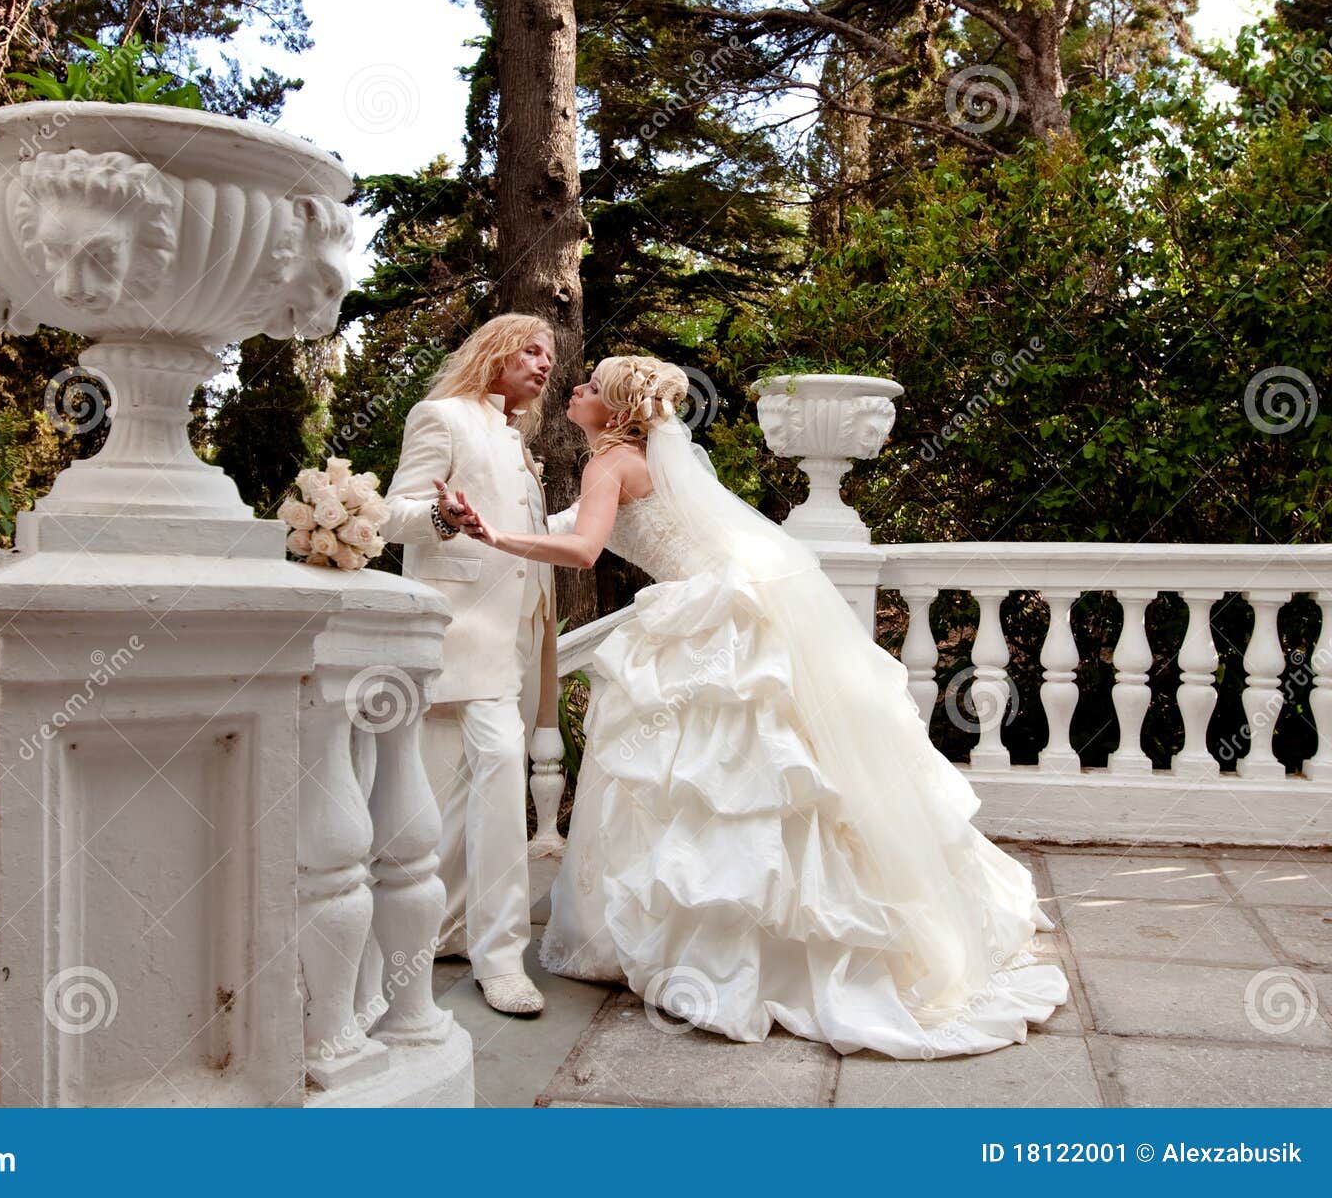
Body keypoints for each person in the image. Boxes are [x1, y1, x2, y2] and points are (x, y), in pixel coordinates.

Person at [451, 354, 1069, 1057]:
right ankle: (772, 928)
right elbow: (580, 523)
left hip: (701, 622)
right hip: (729, 609)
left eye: (592, 386)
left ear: (618, 410)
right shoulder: (644, 460)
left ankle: (718, 943)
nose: (577, 389)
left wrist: (493, 536)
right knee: (753, 776)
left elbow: (585, 549)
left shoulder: (610, 463)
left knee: (702, 779)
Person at [381, 314, 559, 1018]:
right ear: (495, 350)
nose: (544, 363)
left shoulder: (515, 440)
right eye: (531, 348)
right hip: (453, 636)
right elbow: (393, 513)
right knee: (473, 789)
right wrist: (441, 518)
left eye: (550, 355)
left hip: (507, 649)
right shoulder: (443, 417)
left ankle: (455, 935)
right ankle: (501, 959)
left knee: (459, 804)